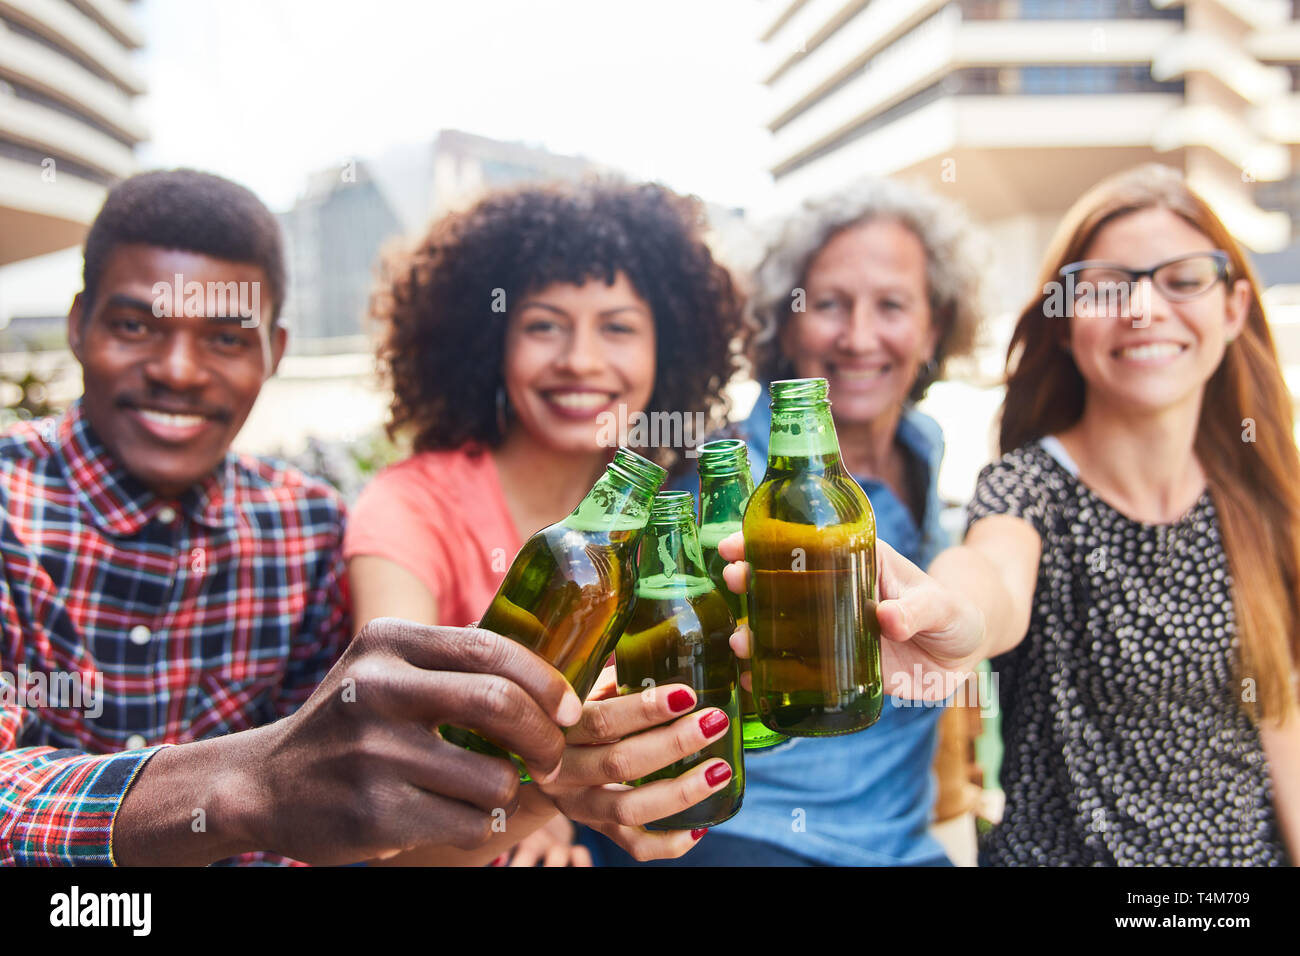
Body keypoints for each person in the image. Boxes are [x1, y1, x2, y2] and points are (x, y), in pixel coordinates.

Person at [0, 170, 731, 867]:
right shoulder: (14, 505)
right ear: (76, 326)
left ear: (274, 352)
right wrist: (243, 785)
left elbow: (371, 816)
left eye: (225, 337)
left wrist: (543, 791)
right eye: (136, 325)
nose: (180, 370)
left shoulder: (304, 526)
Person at [727, 163, 1299, 865]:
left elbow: (1281, 720)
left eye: (1182, 279)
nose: (1144, 308)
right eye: (1109, 287)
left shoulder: (922, 449)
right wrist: (958, 621)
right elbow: (989, 575)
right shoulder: (1024, 487)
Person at [584, 177, 988, 866]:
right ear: (785, 322)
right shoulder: (726, 480)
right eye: (829, 305)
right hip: (748, 832)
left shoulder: (924, 446)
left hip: (901, 843)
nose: (858, 337)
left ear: (934, 327)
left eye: (891, 305)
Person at [344, 179, 750, 863]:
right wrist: (539, 807)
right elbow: (393, 796)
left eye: (617, 326)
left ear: (669, 348)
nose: (581, 360)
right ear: (489, 342)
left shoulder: (677, 516)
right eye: (543, 325)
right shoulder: (409, 507)